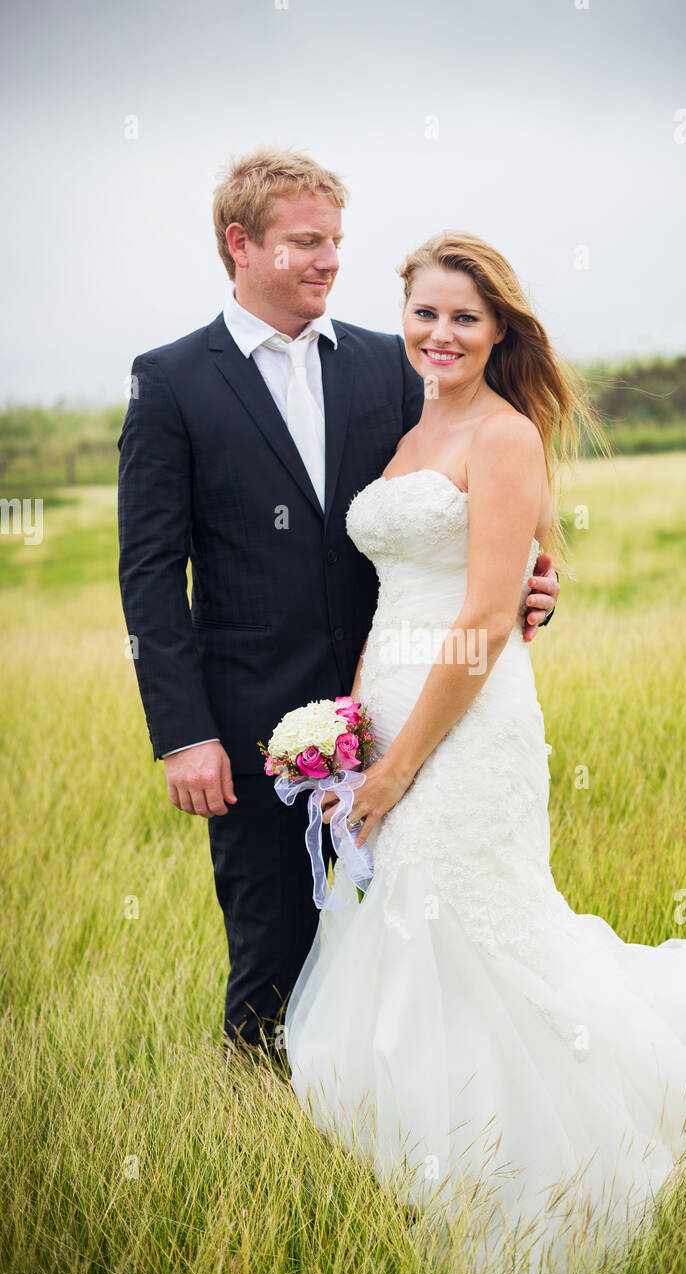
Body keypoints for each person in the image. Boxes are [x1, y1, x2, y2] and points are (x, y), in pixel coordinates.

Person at [284, 230, 686, 1274]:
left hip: (465, 724)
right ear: (402, 316)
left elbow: (484, 617)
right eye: (424, 312)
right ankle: (421, 1120)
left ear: (499, 326)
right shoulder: (409, 432)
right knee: (404, 918)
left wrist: (401, 763)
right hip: (387, 713)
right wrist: (351, 722)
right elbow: (390, 595)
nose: (440, 332)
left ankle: (534, 1141)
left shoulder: (504, 437)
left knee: (477, 918)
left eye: (464, 315)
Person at [117, 151, 561, 1057]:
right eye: (305, 243)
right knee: (269, 941)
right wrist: (182, 732)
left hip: (407, 706)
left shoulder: (388, 363)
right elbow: (150, 574)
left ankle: (398, 1115)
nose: (328, 261)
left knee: (405, 937)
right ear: (241, 245)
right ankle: (257, 1120)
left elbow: (469, 507)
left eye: (336, 243)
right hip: (251, 722)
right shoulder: (171, 382)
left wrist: (530, 585)